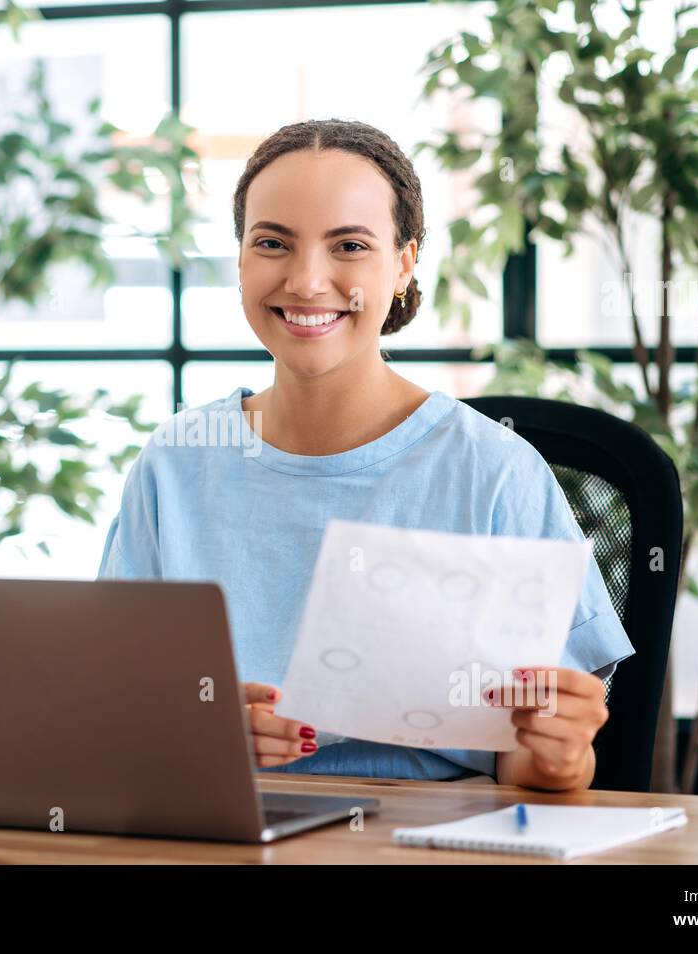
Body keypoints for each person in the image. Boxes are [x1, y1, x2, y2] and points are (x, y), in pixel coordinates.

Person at [97, 118, 634, 790]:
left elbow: (535, 759)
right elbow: (115, 713)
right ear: (240, 260)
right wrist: (193, 730)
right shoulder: (174, 466)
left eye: (349, 245)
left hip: (426, 835)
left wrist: (561, 754)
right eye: (272, 243)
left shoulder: (496, 474)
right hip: (223, 824)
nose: (306, 281)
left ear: (404, 263)